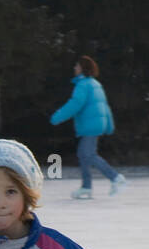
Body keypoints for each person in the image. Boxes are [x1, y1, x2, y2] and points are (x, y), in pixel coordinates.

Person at [50, 55, 126, 198]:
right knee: (84, 155)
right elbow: (105, 107)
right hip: (95, 124)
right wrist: (109, 125)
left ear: (82, 68)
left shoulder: (83, 85)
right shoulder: (95, 84)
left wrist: (58, 116)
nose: (74, 68)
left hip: (90, 125)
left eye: (77, 66)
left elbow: (75, 104)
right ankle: (86, 187)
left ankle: (116, 178)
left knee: (88, 154)